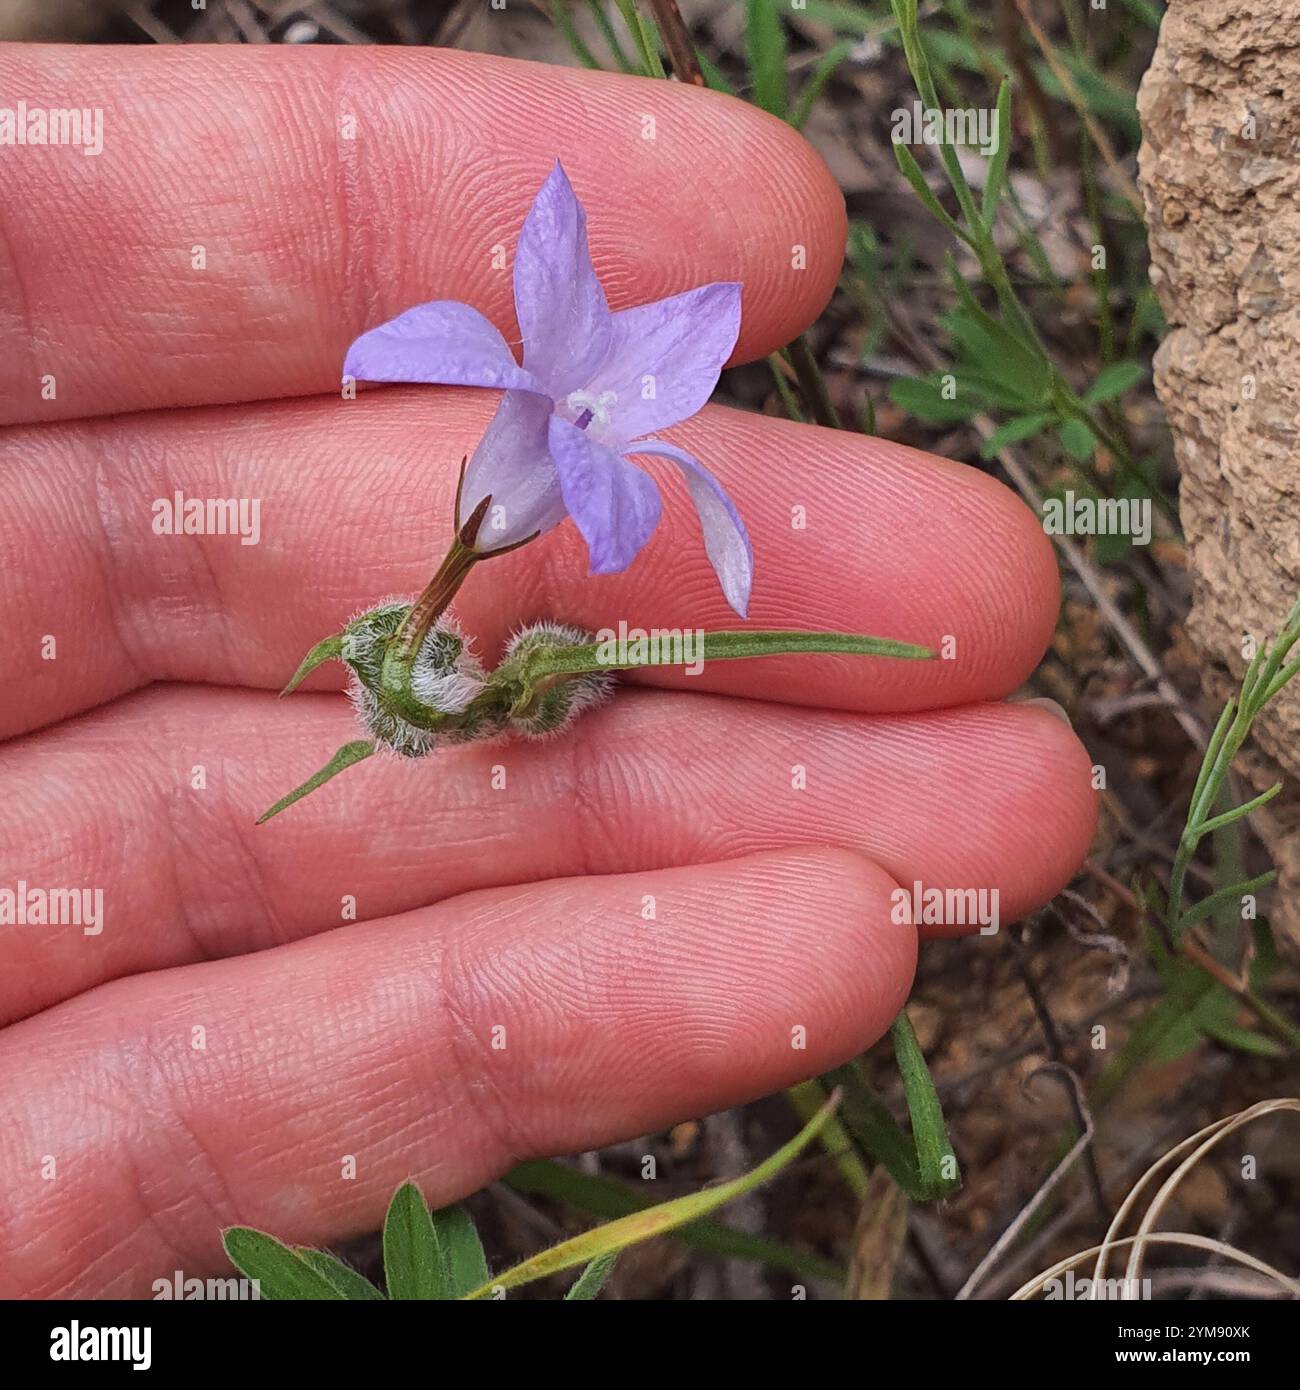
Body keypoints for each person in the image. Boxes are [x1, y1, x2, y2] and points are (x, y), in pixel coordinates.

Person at [0, 42, 1096, 1297]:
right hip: (489, 500)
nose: (582, 415)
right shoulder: (514, 389)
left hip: (494, 512)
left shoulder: (613, 458)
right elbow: (557, 441)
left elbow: (634, 467)